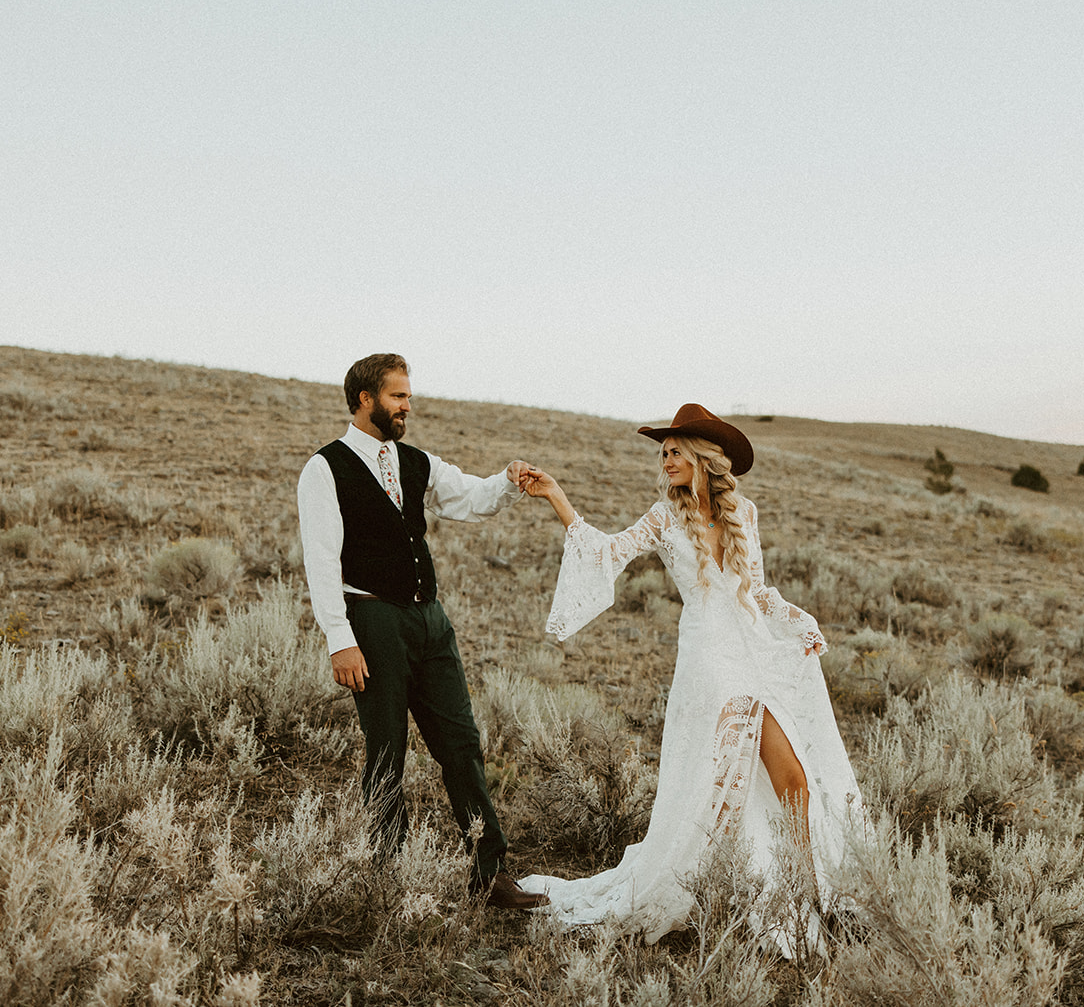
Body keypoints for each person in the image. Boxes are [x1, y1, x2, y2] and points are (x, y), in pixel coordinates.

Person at [514, 403, 864, 941]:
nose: (667, 459)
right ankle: (726, 888)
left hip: (752, 650)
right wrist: (557, 497)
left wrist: (798, 621)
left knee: (792, 776)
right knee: (722, 776)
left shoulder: (744, 514)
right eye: (664, 452)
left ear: (703, 457)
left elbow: (757, 589)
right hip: (708, 661)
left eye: (675, 451)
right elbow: (607, 553)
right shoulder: (663, 517)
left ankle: (812, 893)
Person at [296, 353, 548, 910]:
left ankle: (490, 874)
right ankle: (387, 876)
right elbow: (320, 560)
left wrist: (507, 482)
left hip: (429, 621)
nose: (409, 405)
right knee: (386, 750)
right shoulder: (325, 469)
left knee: (462, 743)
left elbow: (471, 499)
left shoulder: (415, 462)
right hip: (371, 621)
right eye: (398, 397)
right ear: (365, 399)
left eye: (408, 396)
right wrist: (340, 638)